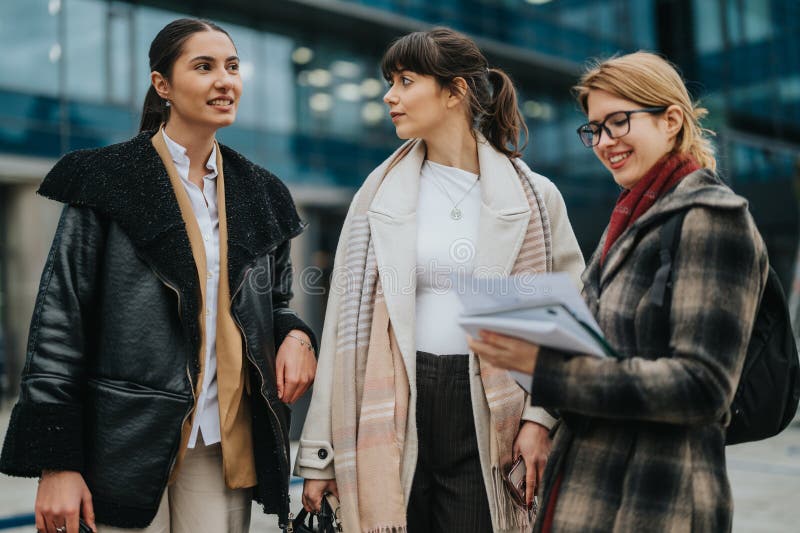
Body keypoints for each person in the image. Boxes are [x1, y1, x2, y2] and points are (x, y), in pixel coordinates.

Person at [0, 18, 317, 533]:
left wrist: (299, 334)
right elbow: (60, 325)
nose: (225, 81)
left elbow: (273, 304)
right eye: (204, 66)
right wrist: (56, 462)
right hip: (119, 444)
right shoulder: (104, 180)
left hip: (220, 444)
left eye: (233, 67)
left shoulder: (261, 193)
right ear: (162, 84)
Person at [296, 27, 584, 533]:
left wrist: (541, 421)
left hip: (491, 410)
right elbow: (344, 328)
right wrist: (320, 457)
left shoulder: (534, 198)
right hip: (393, 403)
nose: (390, 96)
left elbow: (563, 329)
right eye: (390, 82)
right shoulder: (377, 194)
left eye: (406, 81)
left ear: (456, 92)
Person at [469, 51, 768, 532]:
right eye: (594, 129)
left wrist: (551, 372)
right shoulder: (630, 221)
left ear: (671, 120)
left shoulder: (711, 220)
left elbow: (702, 388)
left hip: (657, 505)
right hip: (589, 495)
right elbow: (600, 353)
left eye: (618, 122)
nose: (604, 142)